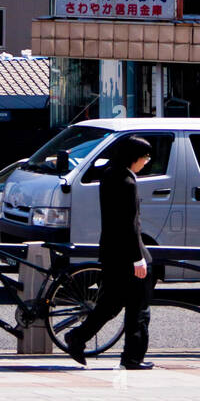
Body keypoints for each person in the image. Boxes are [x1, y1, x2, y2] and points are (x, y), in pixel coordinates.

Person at [64, 135, 155, 370]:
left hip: (111, 252)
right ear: (133, 157)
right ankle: (133, 358)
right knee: (138, 308)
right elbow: (130, 224)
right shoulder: (127, 182)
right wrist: (138, 258)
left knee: (110, 304)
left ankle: (78, 337)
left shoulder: (109, 175)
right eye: (145, 157)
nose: (146, 162)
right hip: (130, 256)